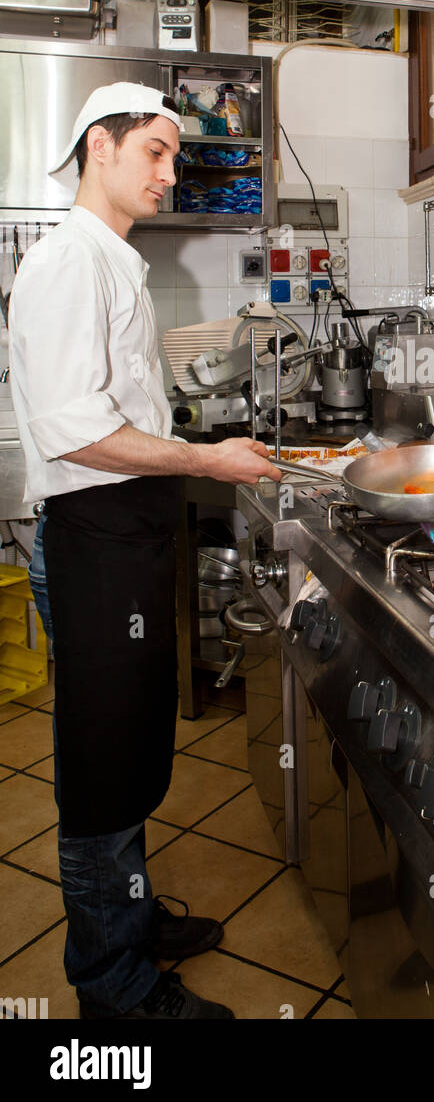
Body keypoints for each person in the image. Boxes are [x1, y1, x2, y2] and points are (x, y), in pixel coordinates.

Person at [9, 82, 283, 1020]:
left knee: (128, 748)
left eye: (176, 156)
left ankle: (128, 917)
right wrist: (208, 457)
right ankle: (111, 984)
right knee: (98, 765)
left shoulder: (113, 260)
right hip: (92, 541)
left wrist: (196, 451)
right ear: (100, 147)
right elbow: (75, 430)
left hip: (127, 535)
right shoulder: (65, 264)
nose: (172, 174)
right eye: (156, 154)